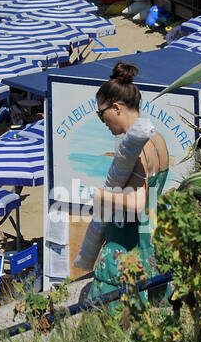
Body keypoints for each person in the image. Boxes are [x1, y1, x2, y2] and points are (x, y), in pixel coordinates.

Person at [72, 62, 171, 300]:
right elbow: (150, 197)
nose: (102, 121)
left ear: (116, 108)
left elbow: (137, 204)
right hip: (151, 242)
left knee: (113, 318)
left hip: (127, 248)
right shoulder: (158, 141)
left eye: (101, 113)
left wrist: (99, 196)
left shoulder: (136, 150)